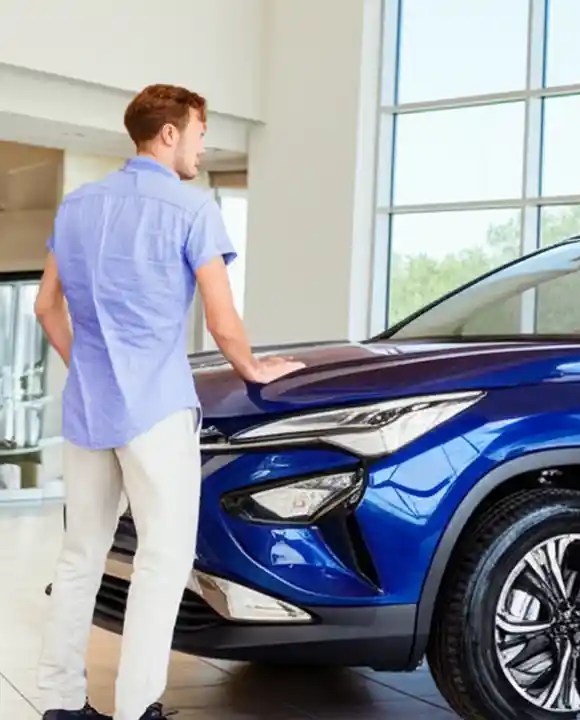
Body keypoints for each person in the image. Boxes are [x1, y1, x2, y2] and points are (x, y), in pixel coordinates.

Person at [33, 84, 304, 720]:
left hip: (87, 408)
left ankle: (61, 704)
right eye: (201, 131)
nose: (204, 147)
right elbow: (221, 318)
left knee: (80, 557)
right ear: (170, 133)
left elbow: (46, 307)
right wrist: (253, 367)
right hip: (155, 408)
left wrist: (93, 368)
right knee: (162, 558)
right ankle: (135, 709)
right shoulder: (190, 207)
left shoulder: (77, 206)